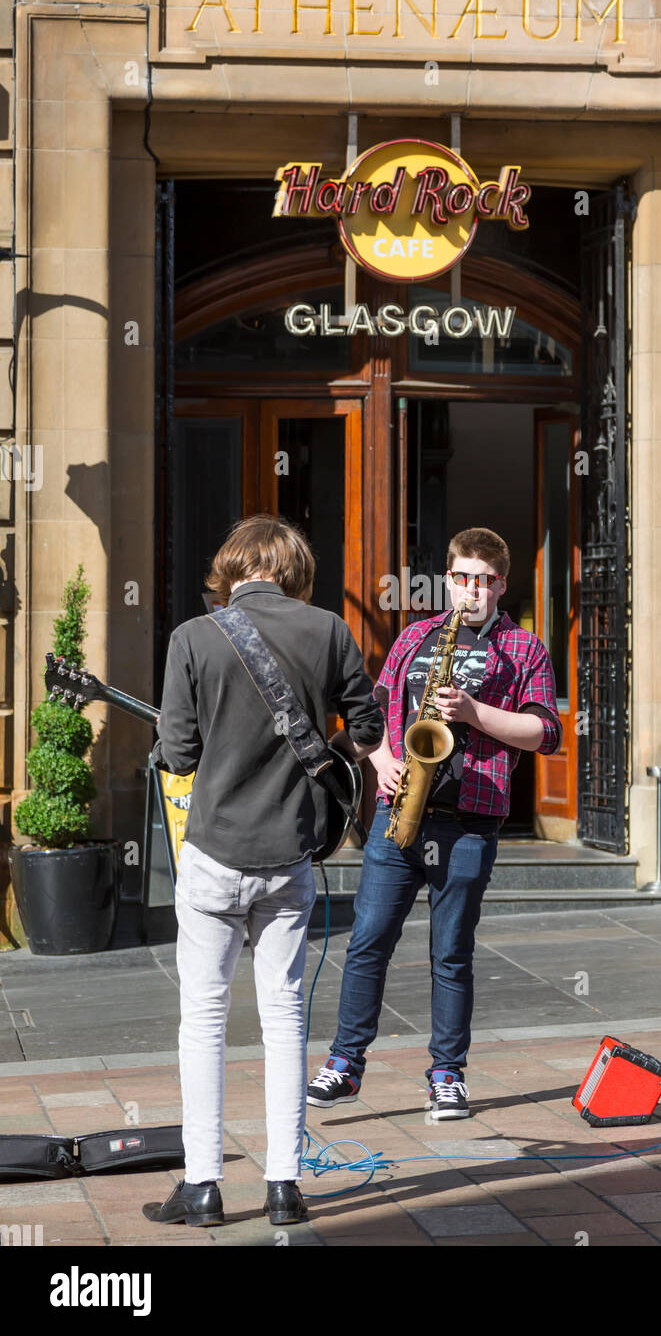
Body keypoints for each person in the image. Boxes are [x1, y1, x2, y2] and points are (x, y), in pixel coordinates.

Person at [142, 515, 383, 1227]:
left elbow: (179, 756)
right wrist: (318, 752)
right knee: (282, 1016)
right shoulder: (330, 631)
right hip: (290, 856)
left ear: (233, 568)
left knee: (204, 1018)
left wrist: (173, 744)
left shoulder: (192, 637)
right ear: (292, 569)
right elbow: (367, 729)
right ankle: (284, 1185)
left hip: (215, 854)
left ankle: (205, 1186)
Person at [307, 527, 562, 1121]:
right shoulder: (415, 638)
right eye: (463, 577)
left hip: (471, 818)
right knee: (368, 941)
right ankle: (345, 1063)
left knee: (451, 953)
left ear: (502, 584)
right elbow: (369, 715)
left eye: (485, 580)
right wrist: (386, 762)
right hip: (400, 814)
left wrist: (475, 713)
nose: (473, 589)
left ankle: (447, 1074)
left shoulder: (524, 649)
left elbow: (545, 733)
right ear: (449, 579)